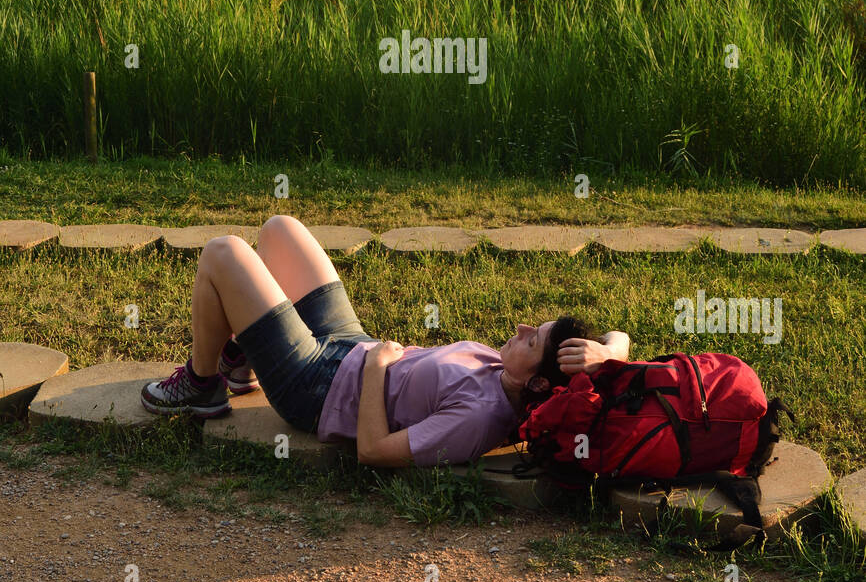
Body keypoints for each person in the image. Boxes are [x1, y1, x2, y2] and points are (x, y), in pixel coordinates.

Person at [140, 216, 630, 467]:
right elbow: (621, 341)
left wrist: (376, 369)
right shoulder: (508, 377)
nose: (523, 328)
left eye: (533, 341)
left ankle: (202, 387)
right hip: (348, 344)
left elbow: (373, 451)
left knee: (223, 253)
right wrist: (607, 354)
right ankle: (243, 361)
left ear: (540, 384)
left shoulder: (479, 418)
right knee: (279, 230)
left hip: (317, 386)